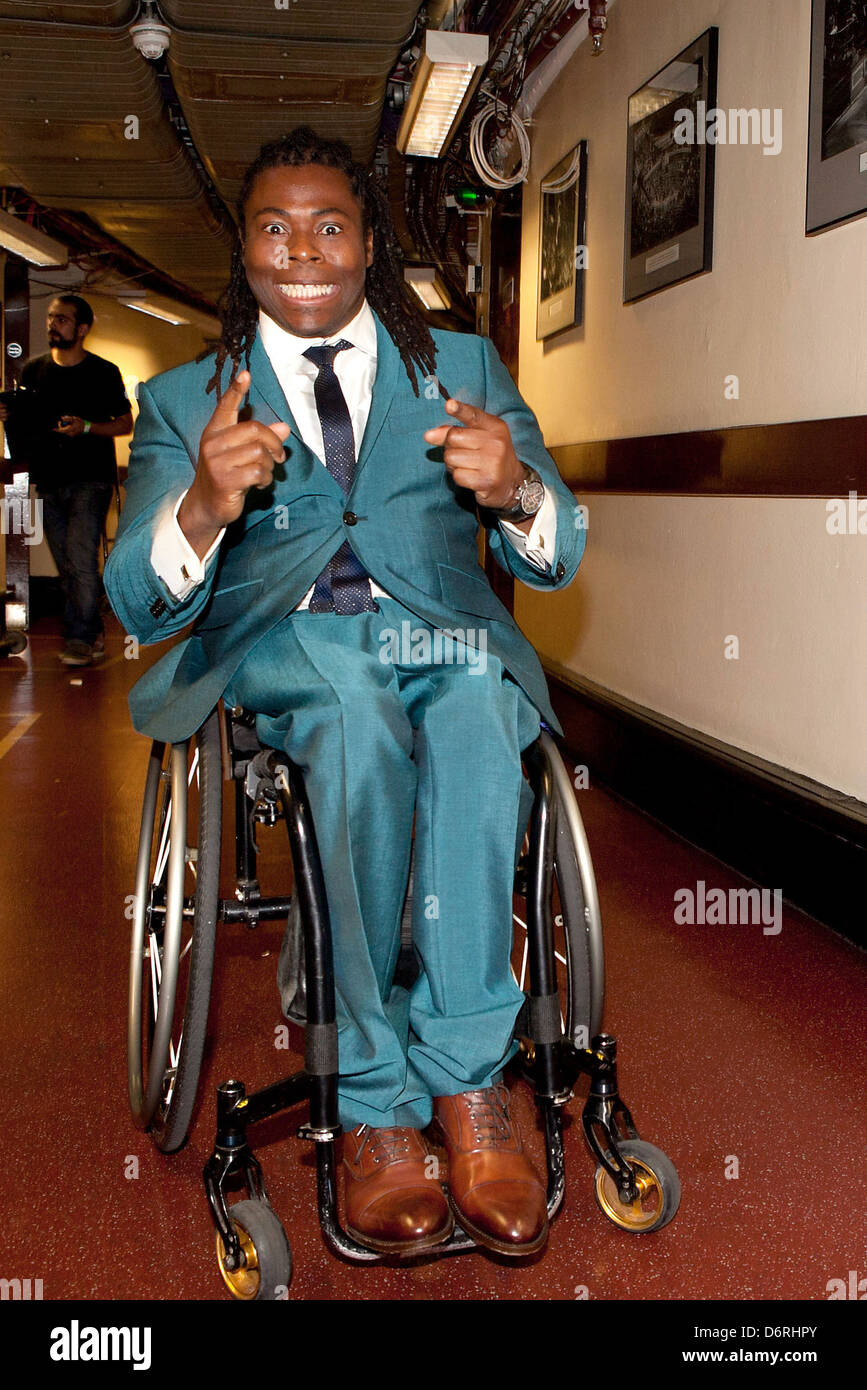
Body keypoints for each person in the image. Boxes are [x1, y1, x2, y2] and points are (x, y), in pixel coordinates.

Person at [105, 127, 585, 1258]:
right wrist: (203, 511)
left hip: (441, 640)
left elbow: (557, 551)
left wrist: (515, 489)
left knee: (473, 702)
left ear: (370, 245)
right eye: (275, 227)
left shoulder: (459, 367)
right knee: (354, 701)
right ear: (245, 247)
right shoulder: (188, 397)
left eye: (330, 225)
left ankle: (468, 1084)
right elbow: (137, 596)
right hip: (288, 645)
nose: (303, 250)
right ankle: (373, 1096)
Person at [0, 295, 132, 666]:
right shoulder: (33, 371)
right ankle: (89, 629)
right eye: (50, 317)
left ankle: (80, 637)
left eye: (61, 319)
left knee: (80, 558)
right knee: (65, 562)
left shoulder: (103, 372)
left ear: (82, 329)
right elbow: (25, 422)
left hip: (91, 480)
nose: (52, 324)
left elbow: (125, 422)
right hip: (48, 479)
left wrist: (86, 427)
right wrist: (8, 413)